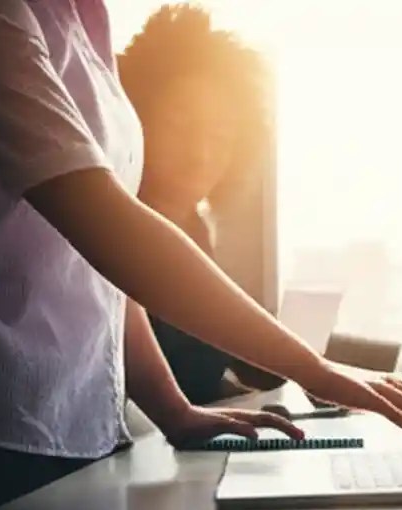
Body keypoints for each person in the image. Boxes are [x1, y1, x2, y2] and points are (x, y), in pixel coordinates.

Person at [0, 0, 402, 510]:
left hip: (77, 427)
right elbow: (106, 229)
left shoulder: (85, 20)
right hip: (0, 429)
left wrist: (174, 410)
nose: (202, 152)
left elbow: (99, 274)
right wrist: (313, 369)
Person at [118, 4, 283, 405]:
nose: (202, 154)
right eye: (179, 126)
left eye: (221, 135)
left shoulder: (193, 227)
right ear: (133, 118)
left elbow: (198, 375)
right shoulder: (112, 230)